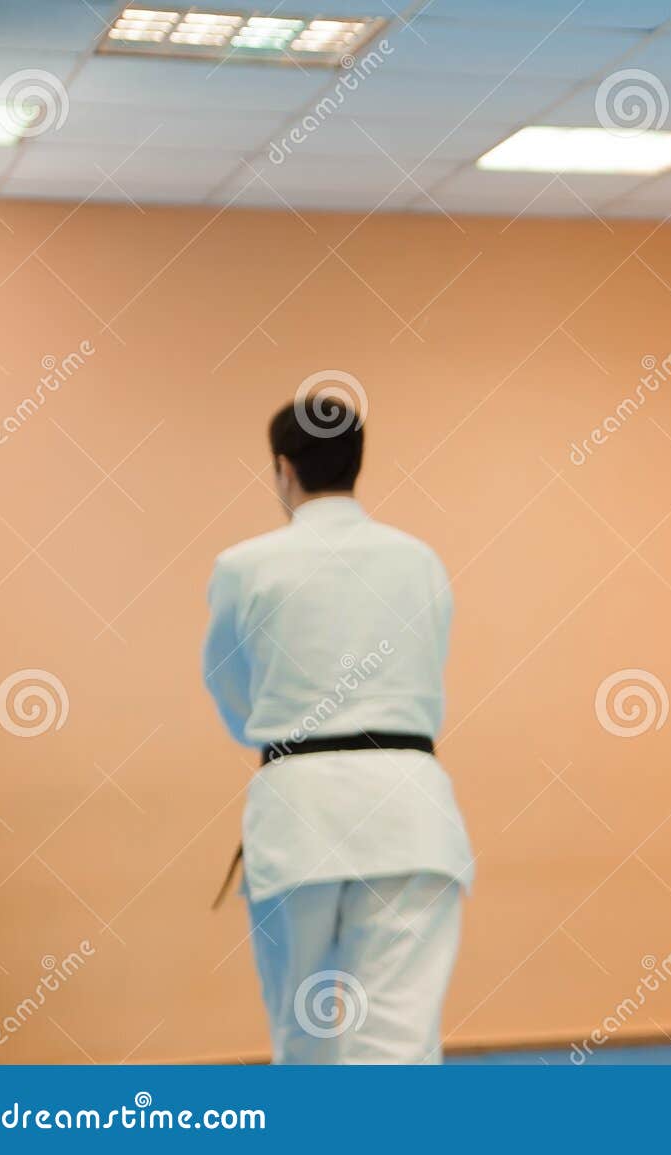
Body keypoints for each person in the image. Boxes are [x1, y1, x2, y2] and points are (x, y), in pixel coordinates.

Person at [202, 393, 474, 1063]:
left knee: (304, 1030)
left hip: (300, 809)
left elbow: (230, 686)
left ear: (282, 468)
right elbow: (424, 670)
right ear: (357, 463)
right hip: (409, 806)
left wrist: (282, 737)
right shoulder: (420, 559)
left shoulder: (244, 564)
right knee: (401, 1041)